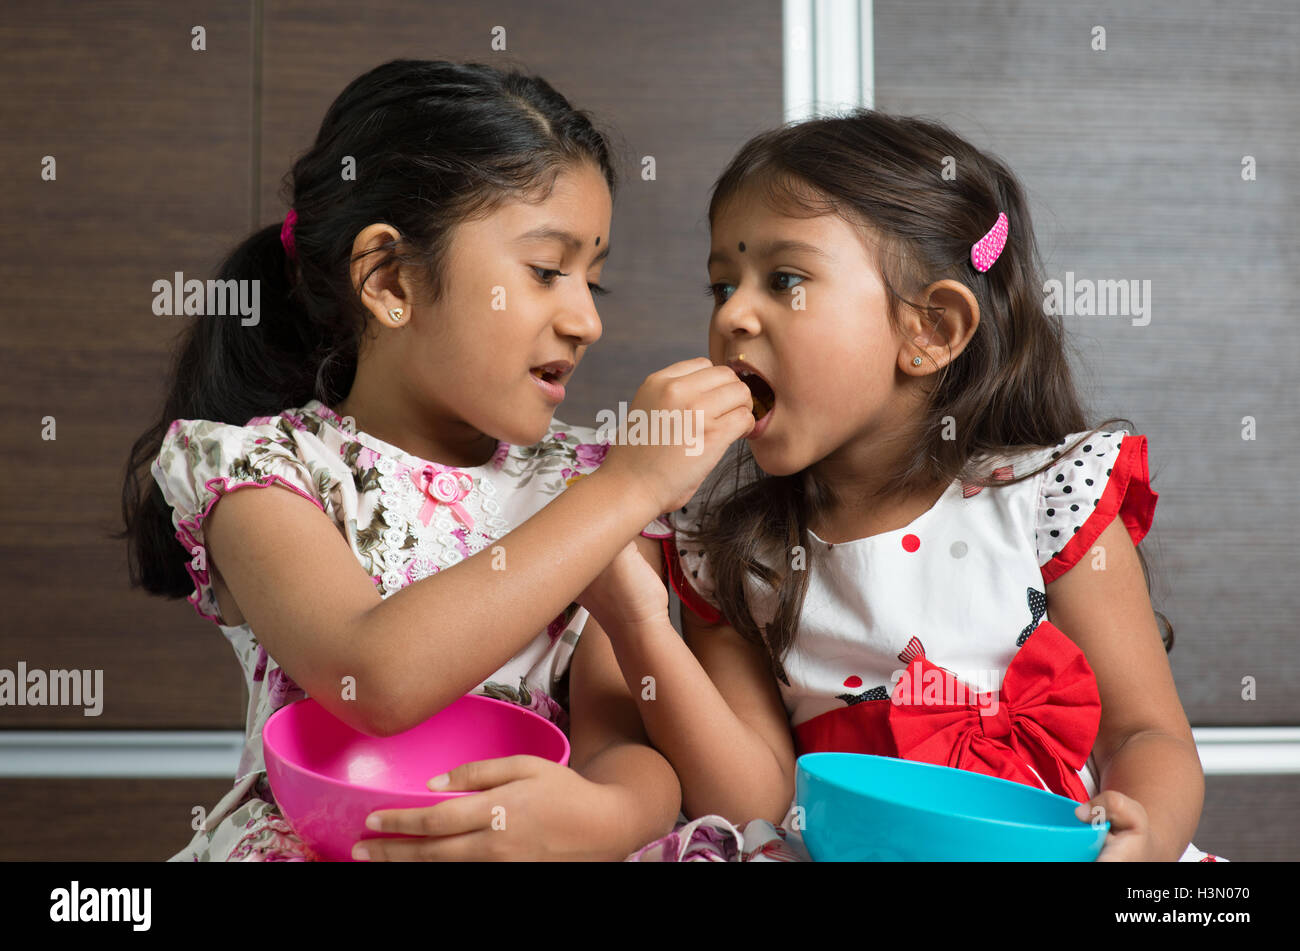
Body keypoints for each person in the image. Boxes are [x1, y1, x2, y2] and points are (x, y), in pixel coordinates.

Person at [119, 59, 754, 861]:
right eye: (546, 271)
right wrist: (628, 486)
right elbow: (374, 677)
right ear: (391, 280)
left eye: (594, 281)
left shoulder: (582, 485)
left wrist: (603, 815)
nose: (587, 320)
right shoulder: (265, 472)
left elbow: (624, 739)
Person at [578, 110, 1226, 862]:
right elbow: (756, 803)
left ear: (932, 330)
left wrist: (1145, 832)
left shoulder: (1047, 501)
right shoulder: (734, 555)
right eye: (722, 285)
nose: (733, 316)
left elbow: (1146, 733)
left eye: (782, 280)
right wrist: (637, 625)